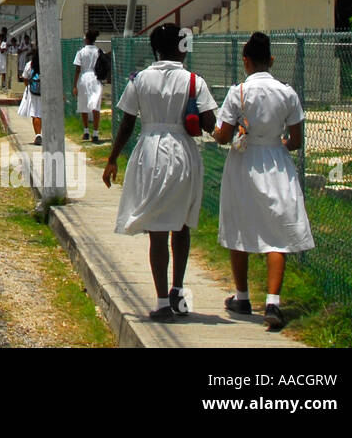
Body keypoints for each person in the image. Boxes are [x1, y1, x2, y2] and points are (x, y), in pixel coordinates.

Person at [102, 22, 218, 321]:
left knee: (157, 231)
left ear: (154, 48)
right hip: (183, 151)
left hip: (150, 151)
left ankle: (162, 301)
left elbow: (127, 124)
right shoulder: (194, 80)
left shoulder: (139, 79)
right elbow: (208, 122)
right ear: (182, 47)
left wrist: (112, 158)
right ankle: (179, 290)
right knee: (181, 226)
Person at [212, 32, 314, 331]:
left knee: (239, 226)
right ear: (271, 60)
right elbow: (295, 140)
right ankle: (273, 301)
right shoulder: (288, 93)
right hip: (276, 161)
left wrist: (219, 131)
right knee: (278, 230)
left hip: (244, 163)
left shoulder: (238, 92)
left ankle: (242, 296)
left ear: (245, 60)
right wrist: (279, 141)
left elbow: (223, 135)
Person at [73, 30, 104, 143]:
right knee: (96, 106)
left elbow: (77, 69)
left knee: (83, 104)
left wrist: (74, 85)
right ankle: (95, 133)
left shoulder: (81, 52)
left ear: (86, 38)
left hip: (84, 77)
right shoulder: (99, 51)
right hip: (96, 78)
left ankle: (86, 131)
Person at [26, 48, 42, 145]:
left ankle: (38, 135)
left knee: (35, 113)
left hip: (34, 92)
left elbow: (25, 77)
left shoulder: (30, 65)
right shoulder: (47, 63)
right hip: (46, 91)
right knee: (43, 113)